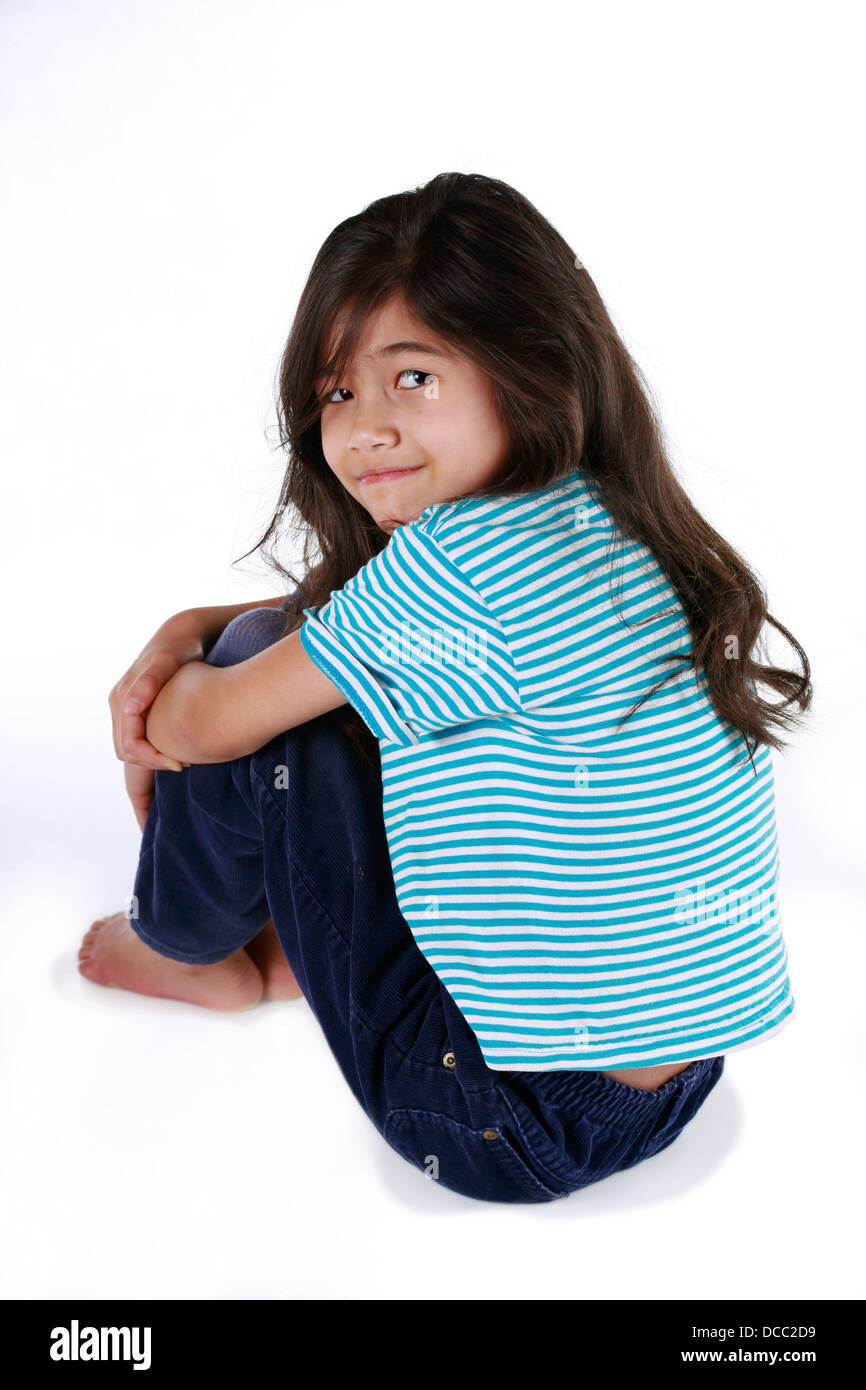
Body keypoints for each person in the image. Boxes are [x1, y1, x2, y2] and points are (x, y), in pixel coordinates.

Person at [80, 172, 811, 1202]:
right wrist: (187, 627)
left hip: (488, 1122)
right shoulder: (611, 521)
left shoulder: (455, 565)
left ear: (531, 371)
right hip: (678, 1077)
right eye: (337, 391)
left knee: (267, 686)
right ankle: (309, 944)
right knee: (302, 664)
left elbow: (201, 723)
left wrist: (180, 669)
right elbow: (341, 641)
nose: (362, 427)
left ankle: (187, 945)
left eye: (410, 377)